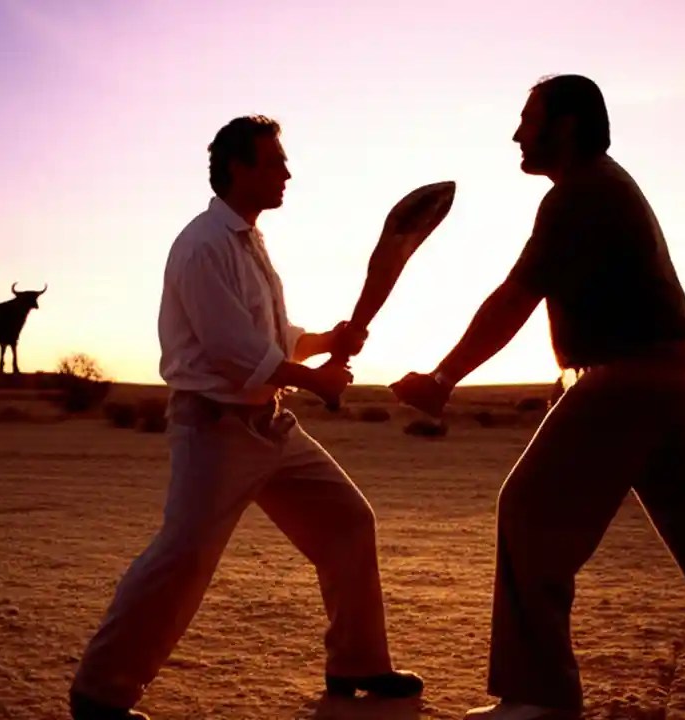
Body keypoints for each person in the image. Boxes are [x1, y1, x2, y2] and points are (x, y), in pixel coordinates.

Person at [391, 75, 685, 720]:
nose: (516, 134)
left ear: (565, 125)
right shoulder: (604, 186)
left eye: (527, 119)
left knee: (530, 507)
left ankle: (538, 696)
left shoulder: (581, 195)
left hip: (627, 377)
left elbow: (514, 298)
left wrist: (443, 379)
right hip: (663, 372)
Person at [69, 115, 424, 720]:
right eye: (273, 161)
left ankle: (356, 664)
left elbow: (270, 335)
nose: (286, 172)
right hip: (215, 429)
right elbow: (233, 352)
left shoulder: (248, 242)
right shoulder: (203, 244)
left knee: (346, 523)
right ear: (237, 167)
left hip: (271, 427)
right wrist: (316, 380)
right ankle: (99, 696)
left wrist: (321, 341)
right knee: (181, 559)